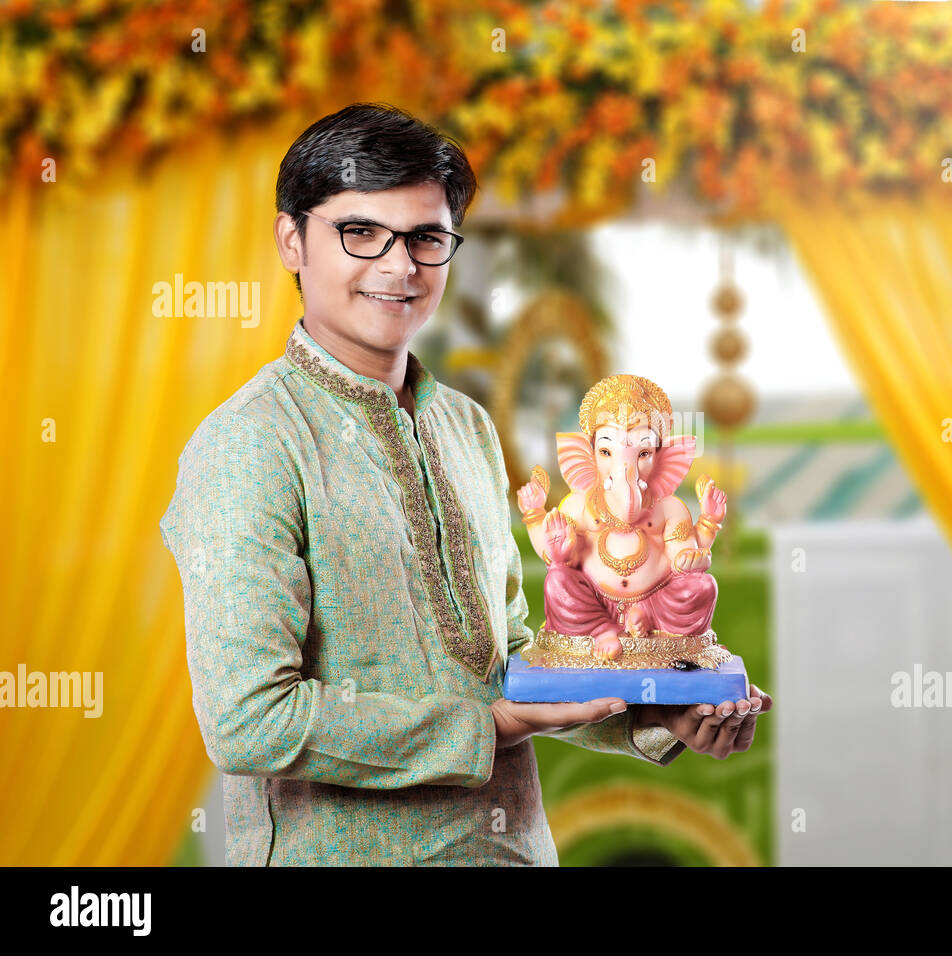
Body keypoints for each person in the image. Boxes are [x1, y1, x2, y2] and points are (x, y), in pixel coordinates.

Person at [158, 102, 772, 866]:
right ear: (292, 239)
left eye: (425, 238)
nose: (399, 266)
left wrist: (657, 713)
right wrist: (486, 729)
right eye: (360, 233)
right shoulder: (248, 445)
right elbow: (250, 719)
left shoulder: (466, 426)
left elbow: (515, 657)